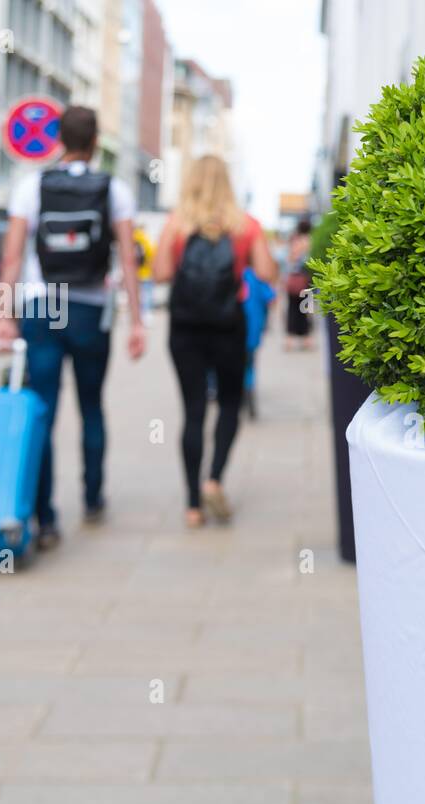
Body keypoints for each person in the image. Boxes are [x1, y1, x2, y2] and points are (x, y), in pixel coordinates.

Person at [0, 106, 146, 548]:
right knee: (92, 406)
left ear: (58, 138)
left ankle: (45, 518)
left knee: (41, 407)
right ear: (96, 141)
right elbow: (128, 260)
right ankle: (94, 496)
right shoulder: (113, 189)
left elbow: (11, 258)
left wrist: (3, 315)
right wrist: (137, 319)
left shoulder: (31, 187)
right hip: (89, 309)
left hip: (43, 307)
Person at [153, 155, 277, 528]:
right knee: (229, 403)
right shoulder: (245, 226)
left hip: (186, 328)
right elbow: (269, 273)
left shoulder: (177, 225)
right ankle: (214, 479)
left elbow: (159, 274)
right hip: (228, 326)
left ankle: (192, 505)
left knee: (192, 410)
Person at [241, 266, 276, 419]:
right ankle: (248, 392)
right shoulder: (256, 274)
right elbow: (270, 297)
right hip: (252, 331)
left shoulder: (229, 270)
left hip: (230, 331)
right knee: (249, 365)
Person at [283, 218, 313, 350]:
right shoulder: (310, 242)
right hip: (305, 281)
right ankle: (306, 341)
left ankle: (289, 341)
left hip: (293, 281)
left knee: (292, 310)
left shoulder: (293, 241)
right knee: (306, 310)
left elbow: (288, 260)